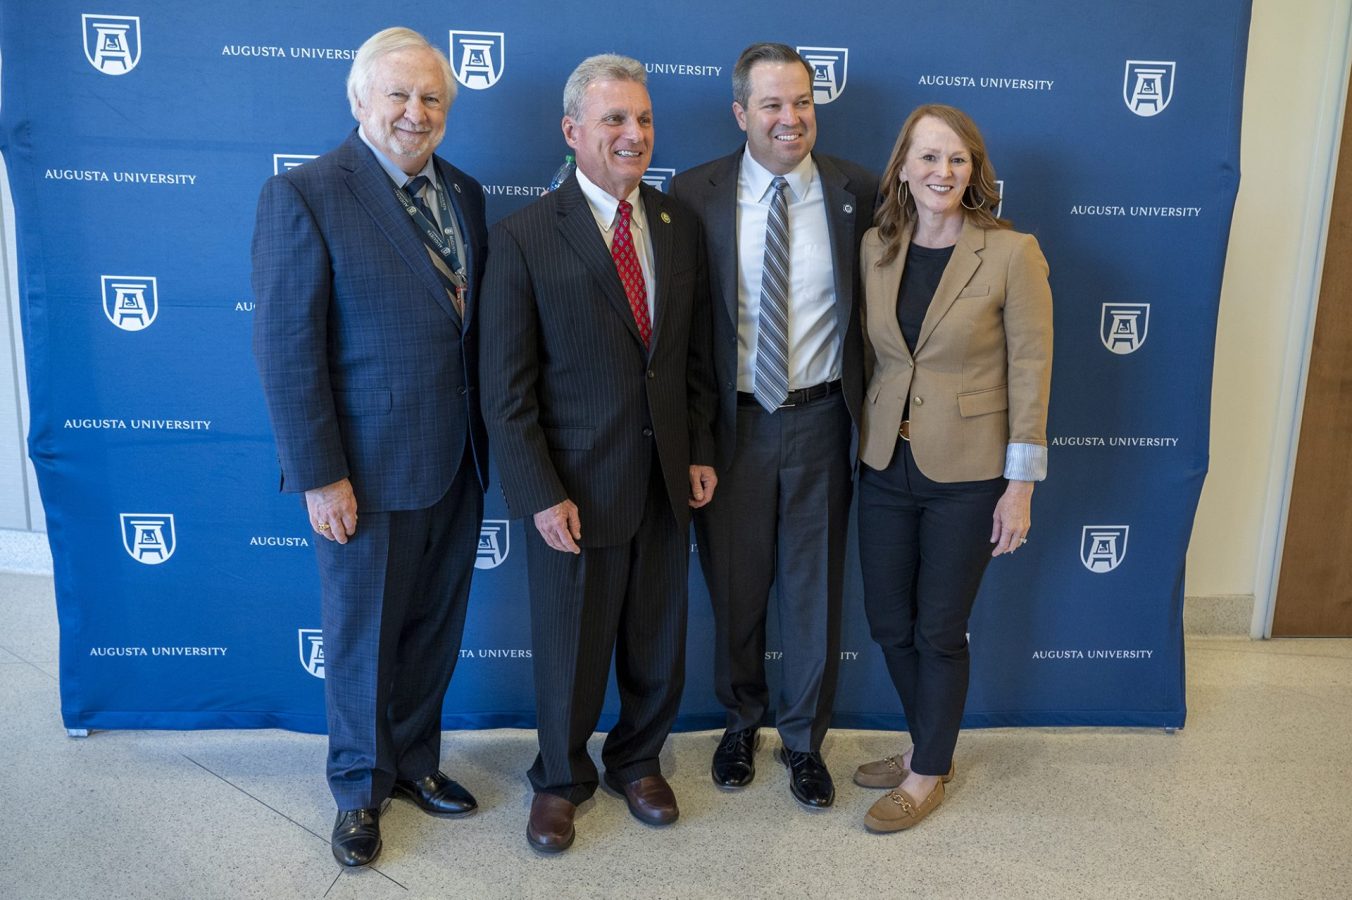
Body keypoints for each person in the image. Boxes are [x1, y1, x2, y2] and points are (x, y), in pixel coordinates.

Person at [251, 27, 489, 867]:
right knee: (360, 639)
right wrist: (322, 477)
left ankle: (415, 764)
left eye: (431, 98)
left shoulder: (466, 192)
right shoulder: (306, 193)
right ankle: (357, 788)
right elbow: (287, 349)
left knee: (432, 629)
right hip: (365, 471)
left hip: (458, 461)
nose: (415, 111)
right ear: (359, 100)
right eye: (398, 94)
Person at [479, 54, 718, 854]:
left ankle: (637, 761)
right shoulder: (523, 236)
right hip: (575, 488)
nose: (633, 134)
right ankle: (559, 779)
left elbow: (693, 356)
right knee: (571, 649)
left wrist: (699, 447)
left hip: (664, 479)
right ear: (572, 131)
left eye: (643, 119)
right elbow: (506, 389)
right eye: (614, 119)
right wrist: (539, 491)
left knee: (657, 637)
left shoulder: (678, 225)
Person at [669, 43, 877, 809]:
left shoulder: (859, 191)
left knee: (814, 592)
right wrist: (695, 441)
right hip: (733, 426)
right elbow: (687, 336)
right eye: (772, 105)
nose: (791, 119)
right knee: (735, 587)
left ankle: (804, 741)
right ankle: (739, 722)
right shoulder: (694, 193)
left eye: (802, 102)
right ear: (740, 113)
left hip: (822, 420)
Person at [852, 104, 1052, 831]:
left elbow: (1031, 371)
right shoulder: (876, 246)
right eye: (929, 157)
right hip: (884, 462)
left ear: (974, 171)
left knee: (939, 629)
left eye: (957, 159)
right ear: (903, 167)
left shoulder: (1011, 252)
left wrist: (1020, 487)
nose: (943, 171)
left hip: (968, 475)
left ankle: (927, 770)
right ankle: (926, 745)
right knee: (888, 622)